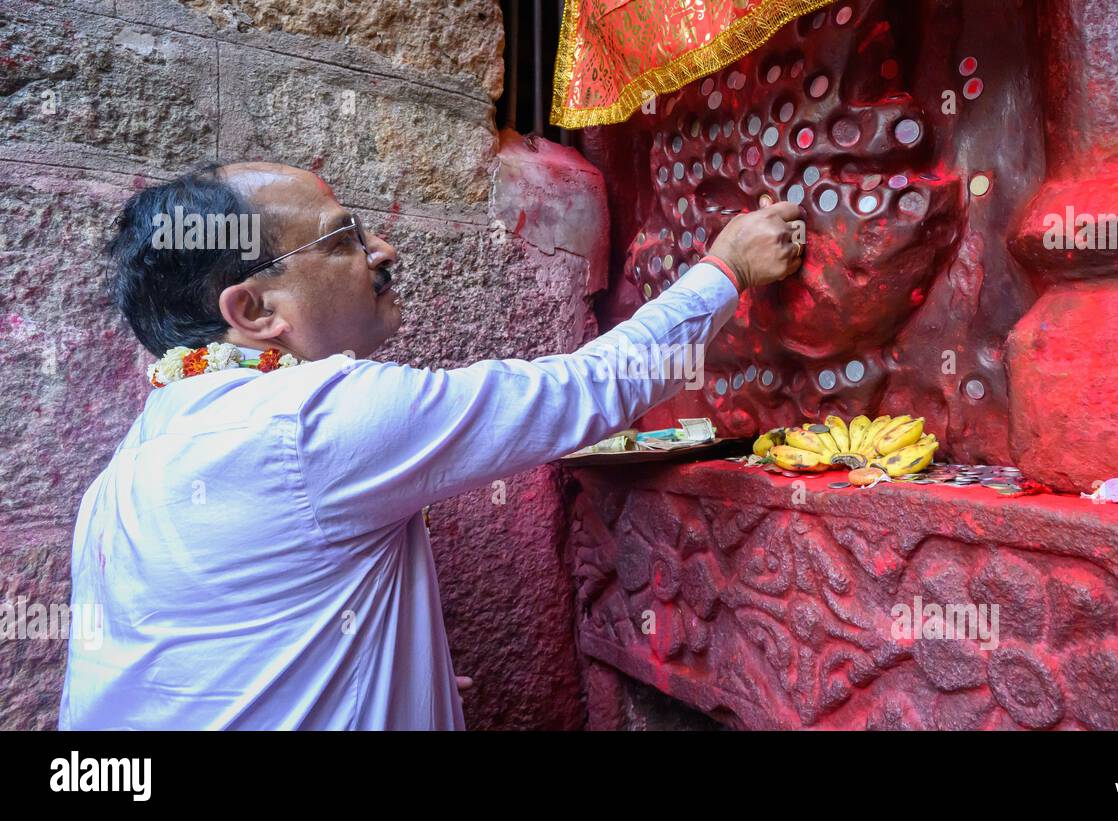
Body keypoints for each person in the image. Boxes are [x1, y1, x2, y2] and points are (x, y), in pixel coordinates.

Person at [58, 162, 805, 729]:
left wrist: (402, 676)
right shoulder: (308, 420)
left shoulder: (125, 472)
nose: (381, 250)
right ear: (254, 309)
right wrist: (726, 270)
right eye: (345, 238)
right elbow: (580, 389)